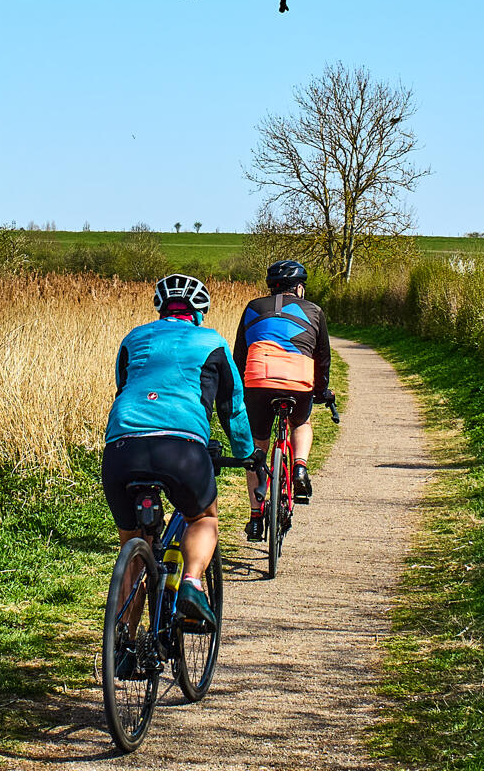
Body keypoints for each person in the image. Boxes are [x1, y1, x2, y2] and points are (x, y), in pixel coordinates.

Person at [102, 273, 254, 630]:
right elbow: (232, 407)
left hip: (123, 446)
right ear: (200, 311)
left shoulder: (134, 338)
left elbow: (124, 386)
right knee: (203, 518)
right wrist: (247, 454)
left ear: (159, 308)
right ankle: (191, 582)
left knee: (135, 544)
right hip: (181, 448)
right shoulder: (211, 342)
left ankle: (123, 645)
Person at [234, 259, 332, 541]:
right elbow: (322, 358)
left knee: (257, 448)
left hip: (257, 378)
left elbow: (240, 354)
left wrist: (242, 389)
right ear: (299, 288)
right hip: (298, 379)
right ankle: (299, 466)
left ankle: (255, 516)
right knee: (301, 422)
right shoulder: (314, 310)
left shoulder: (253, 307)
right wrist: (320, 390)